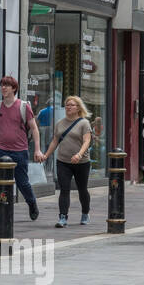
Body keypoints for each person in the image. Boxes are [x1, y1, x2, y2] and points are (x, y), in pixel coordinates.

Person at [0, 76, 44, 221]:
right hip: (1, 150)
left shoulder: (24, 107)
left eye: (6, 85)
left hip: (20, 151)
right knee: (1, 184)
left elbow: (34, 129)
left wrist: (37, 149)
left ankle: (32, 203)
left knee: (22, 183)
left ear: (14, 88)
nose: (3, 88)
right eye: (2, 85)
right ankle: (0, 214)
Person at [39, 96, 93, 228]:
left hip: (82, 162)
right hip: (63, 161)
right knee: (64, 190)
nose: (68, 107)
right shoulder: (60, 123)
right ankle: (63, 217)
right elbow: (55, 141)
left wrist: (79, 154)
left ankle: (85, 213)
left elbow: (87, 141)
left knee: (82, 190)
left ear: (78, 108)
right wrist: (46, 155)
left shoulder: (84, 123)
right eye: (67, 105)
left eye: (72, 105)